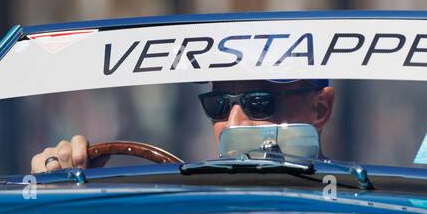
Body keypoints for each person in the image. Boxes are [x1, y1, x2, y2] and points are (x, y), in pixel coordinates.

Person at [29, 78, 335, 174]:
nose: (232, 123)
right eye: (218, 105)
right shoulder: (176, 206)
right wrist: (61, 195)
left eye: (258, 103)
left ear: (320, 109)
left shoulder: (369, 205)